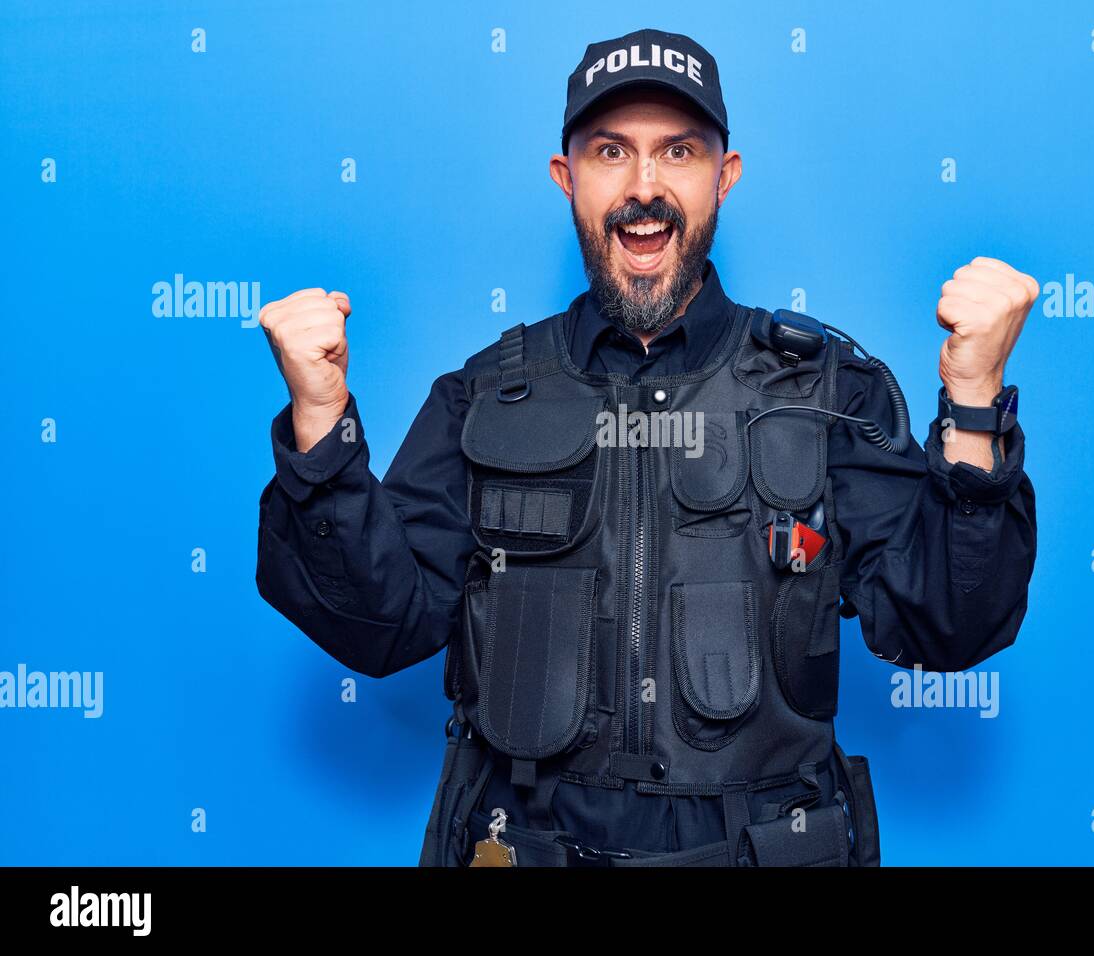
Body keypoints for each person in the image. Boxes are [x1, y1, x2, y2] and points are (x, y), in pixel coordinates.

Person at [255, 28, 1038, 867]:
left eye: (678, 151)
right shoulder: (481, 397)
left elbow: (950, 628)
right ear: (567, 180)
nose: (644, 187)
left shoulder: (827, 395)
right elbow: (380, 626)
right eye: (610, 151)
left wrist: (974, 405)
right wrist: (320, 421)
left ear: (724, 178)